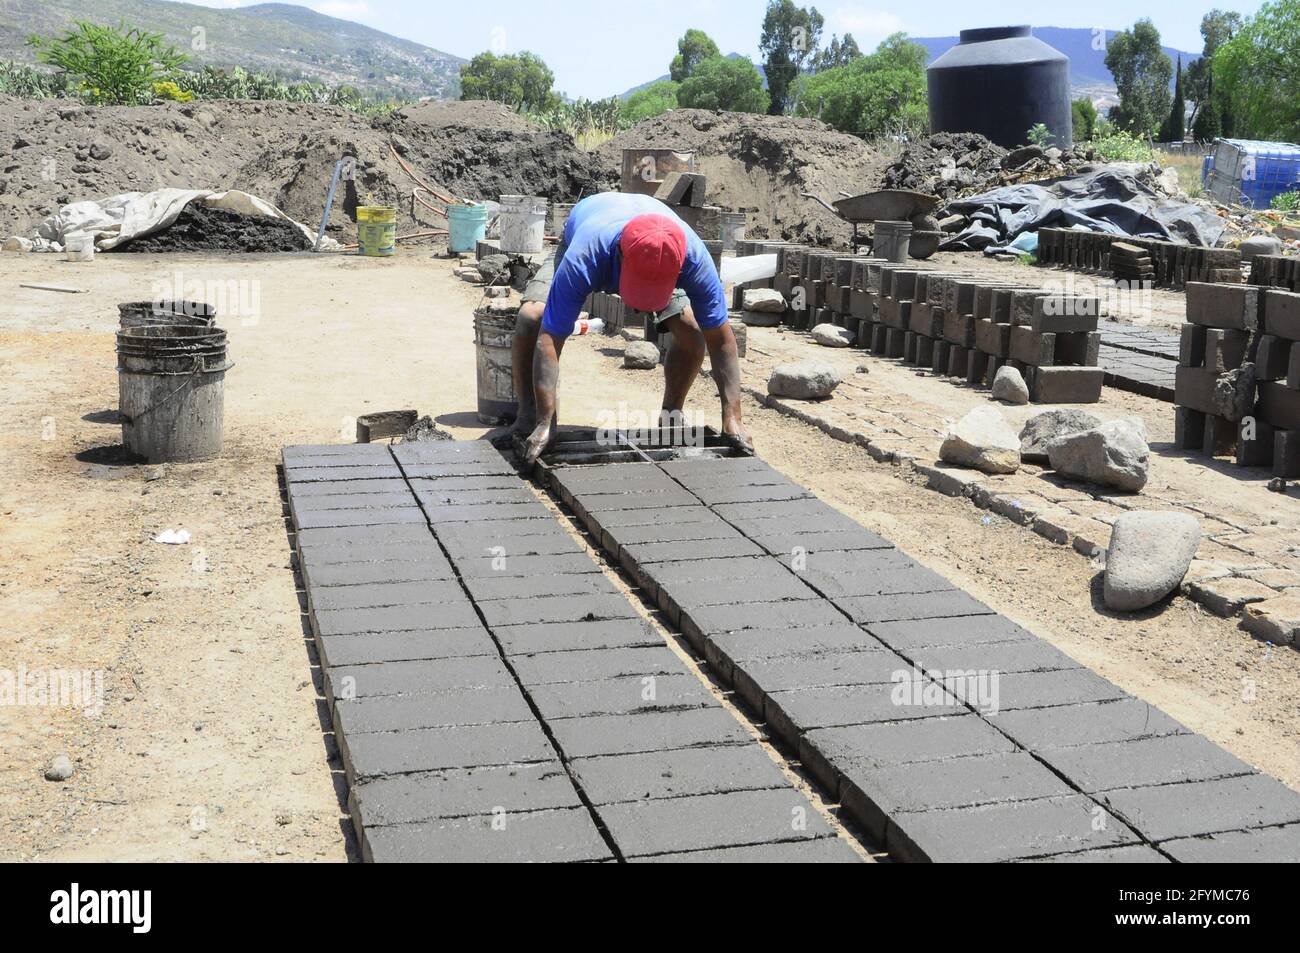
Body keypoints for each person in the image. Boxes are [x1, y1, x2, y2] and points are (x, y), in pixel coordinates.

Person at [511, 192, 751, 464]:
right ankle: (530, 416)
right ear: (621, 256)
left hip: (651, 240)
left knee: (692, 330)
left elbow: (720, 340)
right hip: (590, 226)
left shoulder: (695, 260)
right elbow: (551, 338)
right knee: (533, 317)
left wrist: (733, 417)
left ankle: (671, 415)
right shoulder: (586, 255)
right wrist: (546, 420)